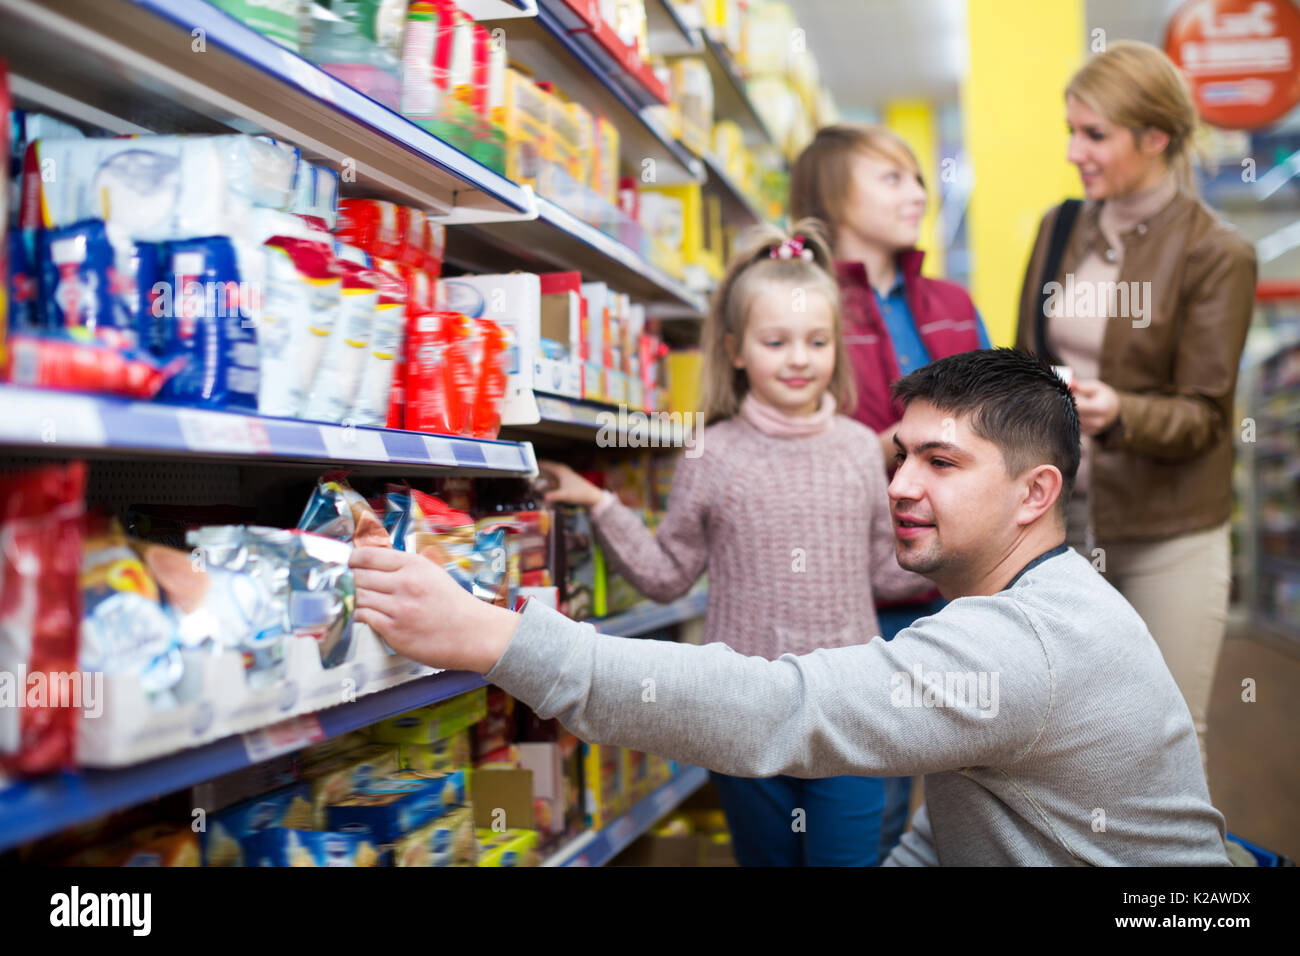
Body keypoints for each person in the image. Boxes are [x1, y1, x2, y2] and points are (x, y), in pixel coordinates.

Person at [351, 349, 1231, 866]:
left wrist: (494, 637)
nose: (899, 485)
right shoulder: (1036, 599)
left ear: (1036, 492)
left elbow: (783, 708)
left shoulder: (1021, 646)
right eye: (899, 457)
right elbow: (965, 821)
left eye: (941, 463)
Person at [534, 222, 929, 866]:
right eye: (776, 342)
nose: (799, 358)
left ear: (837, 347)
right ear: (736, 350)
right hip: (742, 712)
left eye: (817, 341)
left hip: (851, 710)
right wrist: (599, 502)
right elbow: (666, 575)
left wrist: (968, 550)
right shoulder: (712, 454)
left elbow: (884, 575)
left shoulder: (862, 448)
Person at [1014, 41, 1257, 785]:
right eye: (1071, 130)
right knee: (1063, 737)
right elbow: (1028, 348)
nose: (1072, 151)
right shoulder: (1061, 228)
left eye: (1094, 135)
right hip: (1062, 528)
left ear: (1154, 138)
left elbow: (1205, 416)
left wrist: (1119, 411)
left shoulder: (1217, 252)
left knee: (1169, 737)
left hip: (1167, 531)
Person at [790, 122, 994, 852]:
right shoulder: (806, 310)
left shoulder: (948, 300)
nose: (917, 193)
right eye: (892, 178)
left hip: (959, 585)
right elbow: (782, 452)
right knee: (863, 792)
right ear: (831, 196)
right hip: (853, 588)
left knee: (953, 786)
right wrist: (885, 448)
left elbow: (996, 420)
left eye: (917, 177)